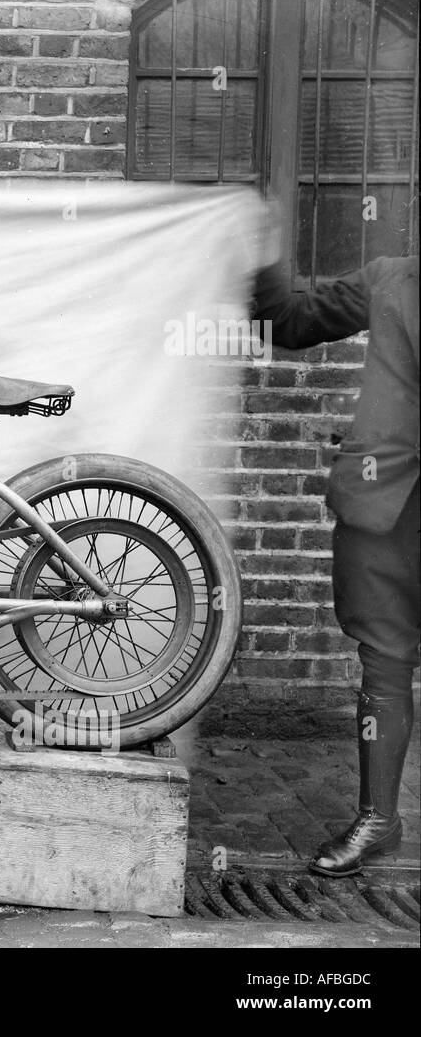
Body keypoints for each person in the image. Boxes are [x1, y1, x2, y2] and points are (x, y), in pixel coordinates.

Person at [252, 254, 419, 877]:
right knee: (384, 658)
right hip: (386, 505)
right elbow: (290, 323)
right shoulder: (389, 279)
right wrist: (262, 246)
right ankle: (379, 819)